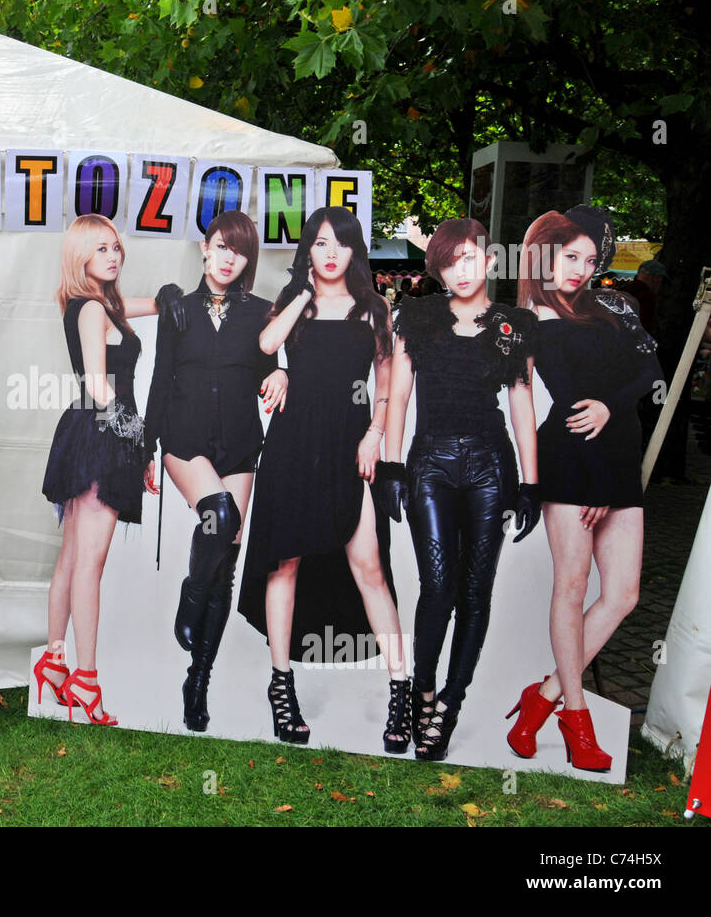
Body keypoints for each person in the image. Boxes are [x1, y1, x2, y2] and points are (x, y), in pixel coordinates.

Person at [237, 206, 409, 750]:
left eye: (341, 243)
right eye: (320, 243)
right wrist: (305, 298)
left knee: (370, 567)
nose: (331, 253)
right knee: (284, 563)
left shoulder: (374, 308)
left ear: (355, 251)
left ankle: (400, 690)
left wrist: (375, 433)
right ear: (308, 250)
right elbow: (266, 348)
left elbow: (386, 383)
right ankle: (281, 686)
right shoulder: (293, 302)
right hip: (292, 443)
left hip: (348, 443)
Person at [376, 218, 541, 761]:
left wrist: (531, 484)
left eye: (469, 257)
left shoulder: (514, 323)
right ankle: (420, 692)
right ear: (438, 268)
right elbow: (398, 397)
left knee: (475, 593)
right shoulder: (417, 316)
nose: (460, 269)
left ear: (490, 260)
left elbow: (521, 403)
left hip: (492, 466)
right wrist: (392, 467)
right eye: (448, 261)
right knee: (438, 588)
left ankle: (449, 702)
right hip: (430, 466)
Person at [505, 206, 662, 772]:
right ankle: (576, 715)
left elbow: (649, 372)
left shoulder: (617, 305)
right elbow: (569, 400)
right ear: (545, 253)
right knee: (571, 588)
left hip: (619, 455)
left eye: (590, 260)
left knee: (624, 594)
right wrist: (595, 473)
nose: (580, 269)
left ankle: (540, 696)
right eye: (570, 256)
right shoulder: (533, 317)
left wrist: (611, 406)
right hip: (573, 461)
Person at [144, 209, 287, 731]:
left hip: (241, 443)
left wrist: (283, 374)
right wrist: (146, 448)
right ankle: (190, 592)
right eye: (221, 246)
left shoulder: (262, 312)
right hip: (184, 439)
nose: (229, 258)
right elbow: (160, 379)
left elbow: (269, 365)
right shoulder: (177, 309)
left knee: (228, 557)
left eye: (240, 250)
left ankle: (197, 680)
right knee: (219, 516)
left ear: (248, 259)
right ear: (205, 248)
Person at [37, 213, 176, 726]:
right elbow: (98, 383)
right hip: (102, 431)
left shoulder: (100, 305)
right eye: (100, 250)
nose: (113, 256)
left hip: (87, 430)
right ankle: (87, 682)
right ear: (80, 258)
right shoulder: (94, 309)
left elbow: (159, 305)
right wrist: (138, 441)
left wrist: (172, 297)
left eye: (116, 247)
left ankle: (54, 663)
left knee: (71, 560)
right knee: (86, 566)